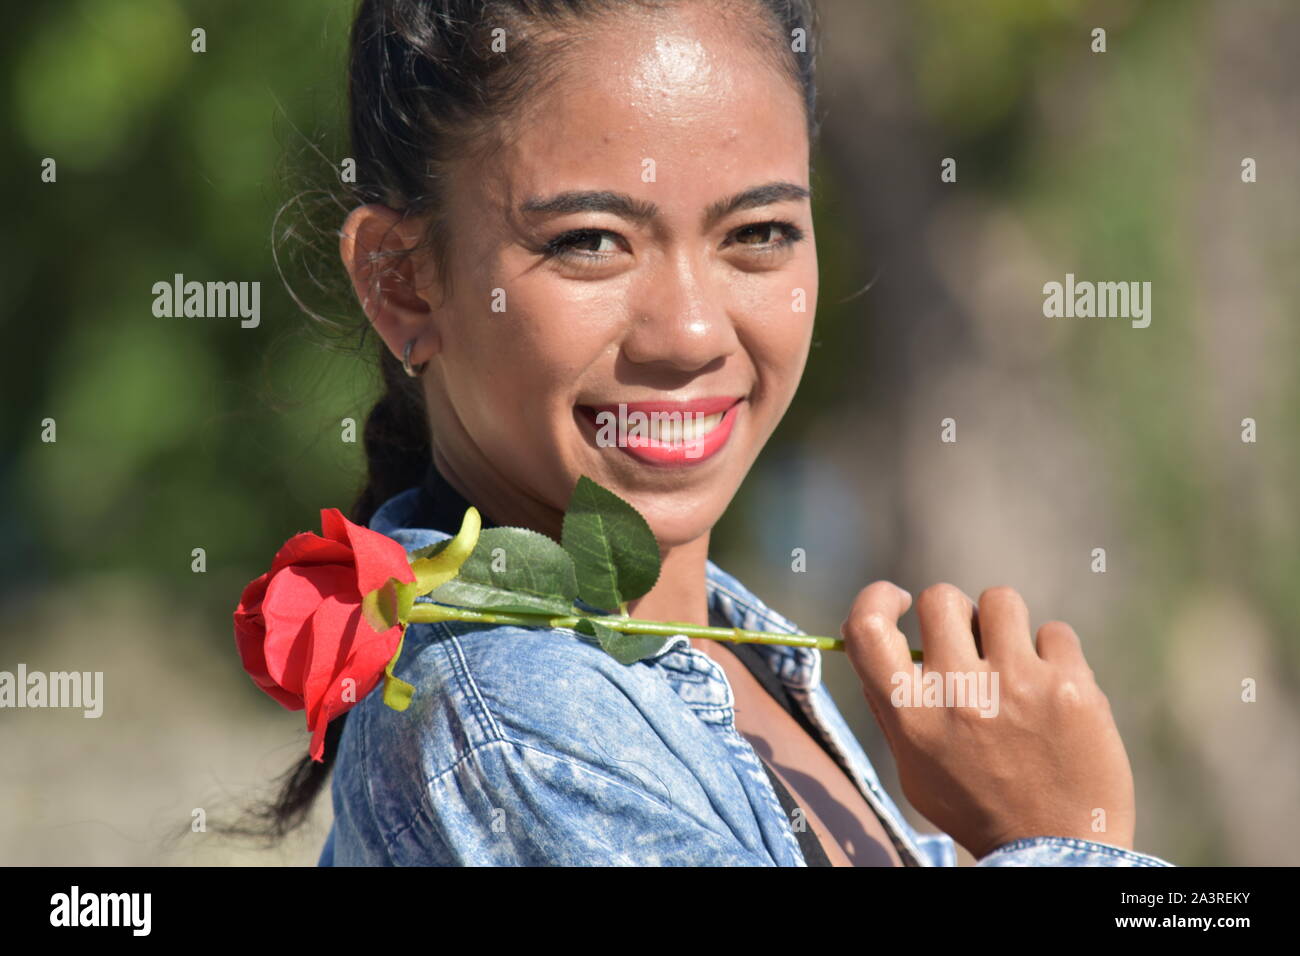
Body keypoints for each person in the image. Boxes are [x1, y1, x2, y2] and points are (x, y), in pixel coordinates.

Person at [264, 0, 1174, 866]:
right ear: (403, 283)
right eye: (590, 241)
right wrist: (1063, 833)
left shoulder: (728, 653)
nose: (692, 333)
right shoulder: (524, 728)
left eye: (761, 231)